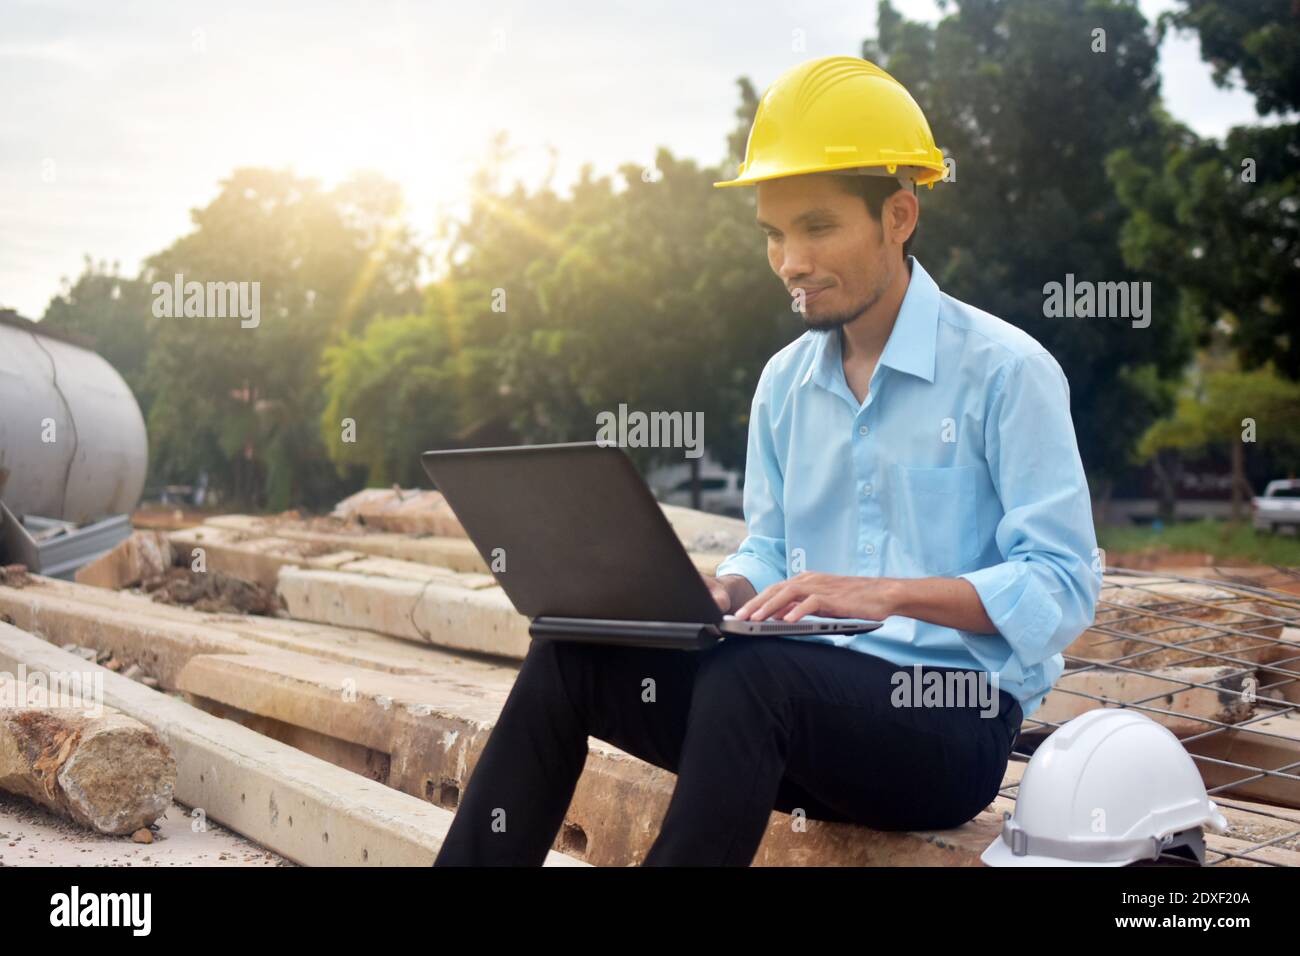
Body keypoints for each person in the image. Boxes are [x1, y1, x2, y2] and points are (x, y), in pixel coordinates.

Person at [433, 55, 1100, 867]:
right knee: (572, 653)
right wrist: (731, 588)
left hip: (947, 722)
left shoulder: (1006, 371)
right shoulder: (785, 385)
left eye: (817, 228)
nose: (791, 262)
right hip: (787, 710)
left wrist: (882, 594)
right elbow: (770, 545)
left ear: (898, 214)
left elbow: (1062, 586)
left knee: (755, 680)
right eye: (776, 236)